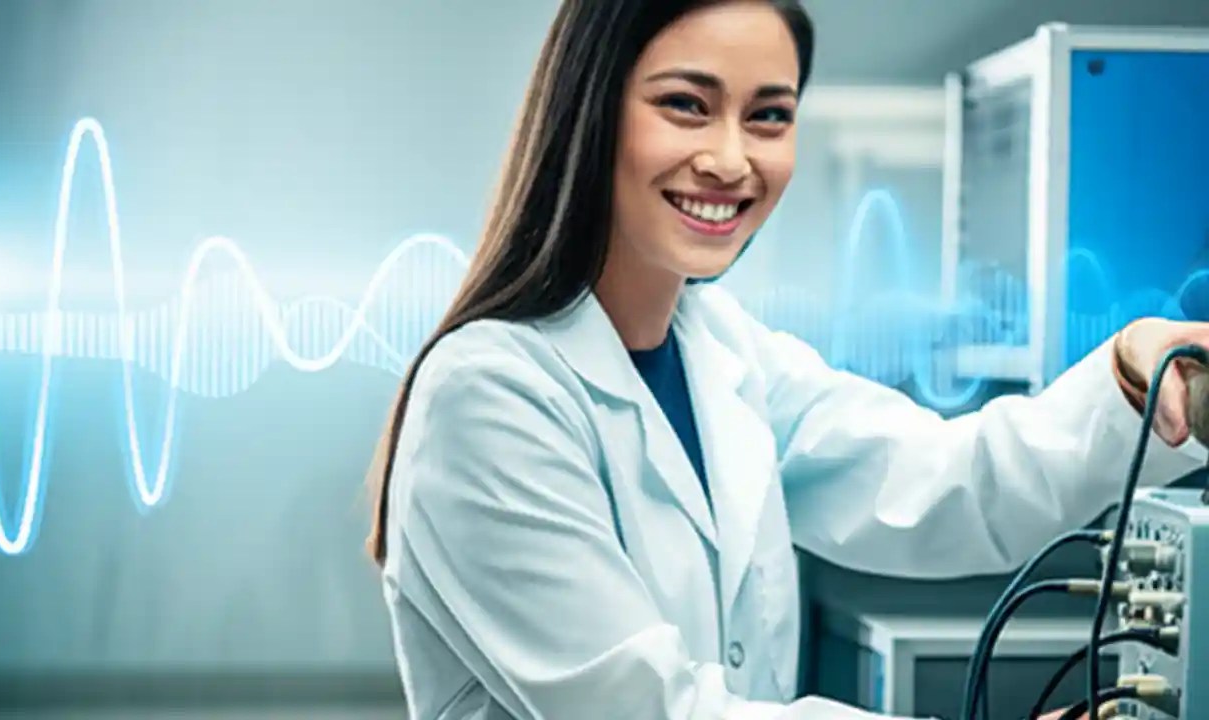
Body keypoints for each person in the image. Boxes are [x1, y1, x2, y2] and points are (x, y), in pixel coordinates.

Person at [364, 1, 1209, 717]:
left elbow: (946, 480)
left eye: (768, 115)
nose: (733, 159)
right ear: (593, 110)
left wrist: (1131, 378)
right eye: (687, 105)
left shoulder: (724, 351)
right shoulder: (487, 396)